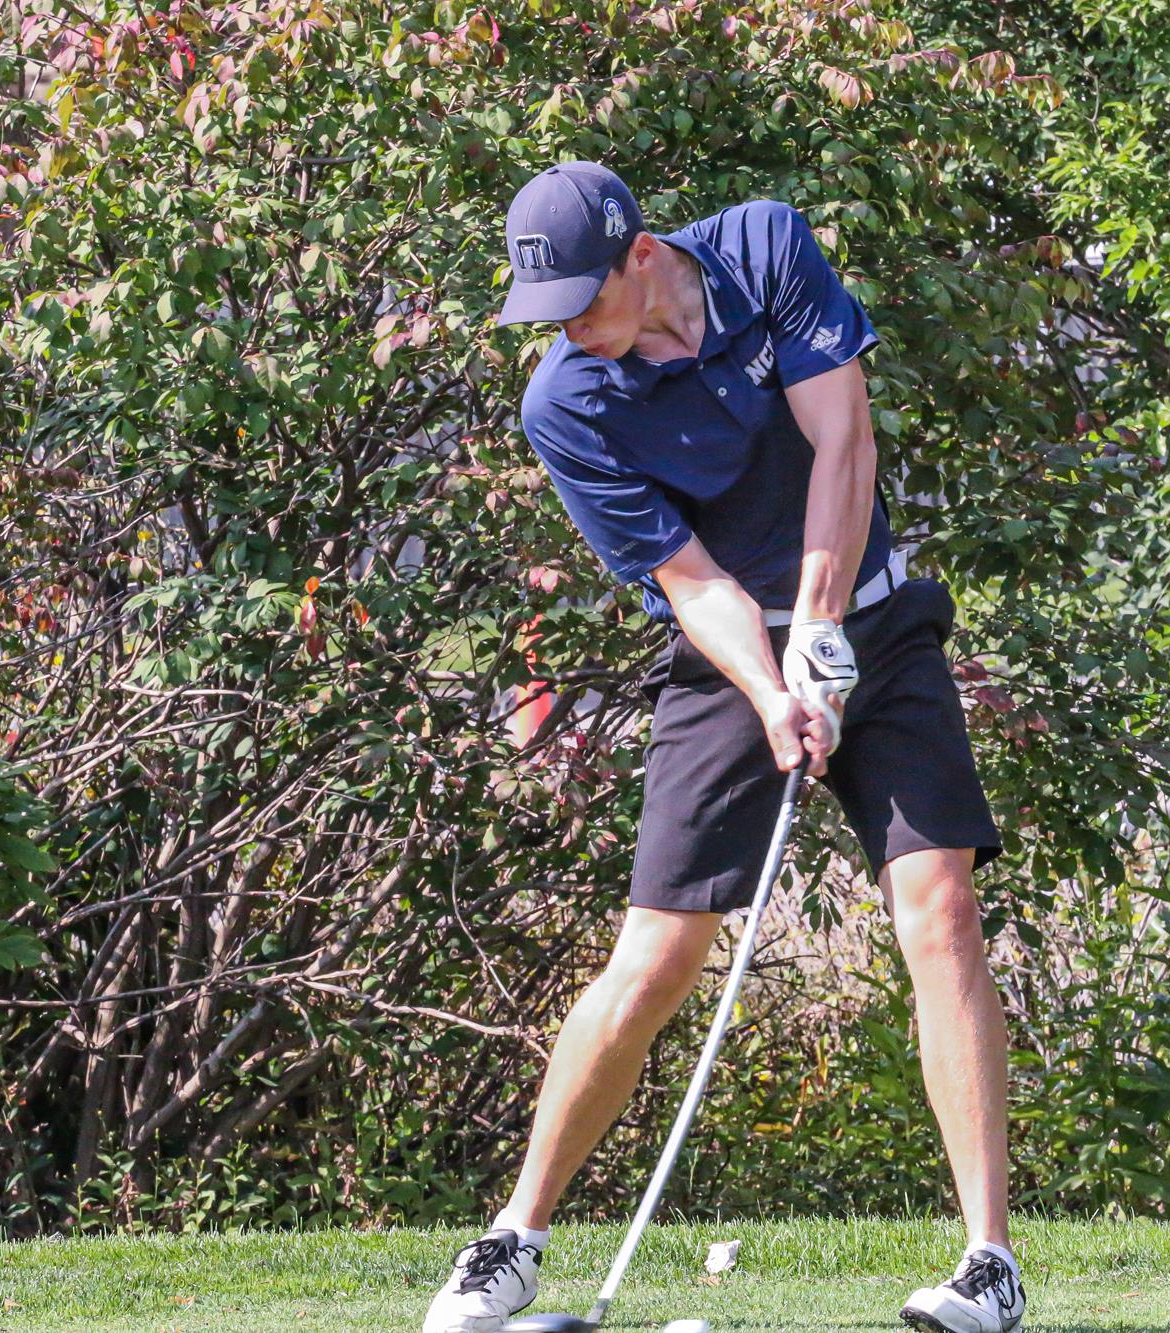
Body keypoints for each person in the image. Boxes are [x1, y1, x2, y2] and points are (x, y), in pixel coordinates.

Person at [422, 162, 1021, 1333]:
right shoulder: (566, 403)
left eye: (580, 309)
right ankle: (512, 1240)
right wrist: (771, 682)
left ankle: (986, 1265)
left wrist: (827, 627)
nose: (571, 341)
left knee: (936, 905)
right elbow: (687, 581)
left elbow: (840, 443)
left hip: (877, 624)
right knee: (657, 952)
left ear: (639, 256)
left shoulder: (761, 248)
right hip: (723, 653)